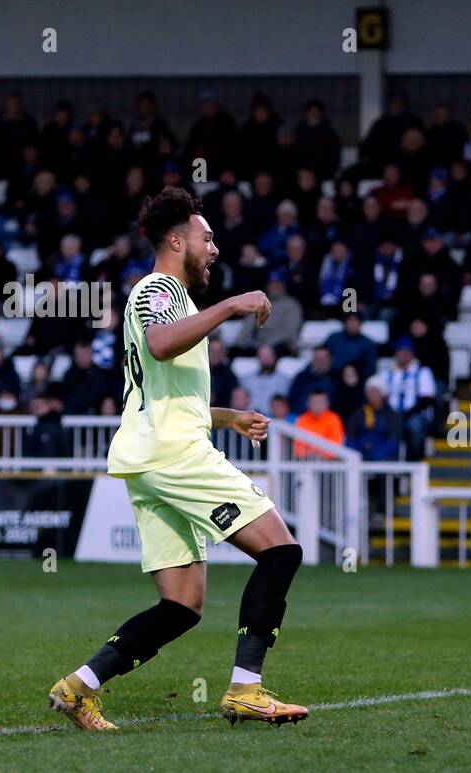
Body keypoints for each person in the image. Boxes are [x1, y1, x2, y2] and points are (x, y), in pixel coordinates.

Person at [49, 186, 308, 732]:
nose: (214, 248)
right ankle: (246, 689)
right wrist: (234, 304)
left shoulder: (179, 301)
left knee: (182, 606)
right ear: (176, 240)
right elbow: (162, 344)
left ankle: (78, 687)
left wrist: (228, 417)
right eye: (206, 238)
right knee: (281, 551)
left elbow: (162, 393)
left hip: (151, 456)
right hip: (172, 455)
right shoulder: (158, 288)